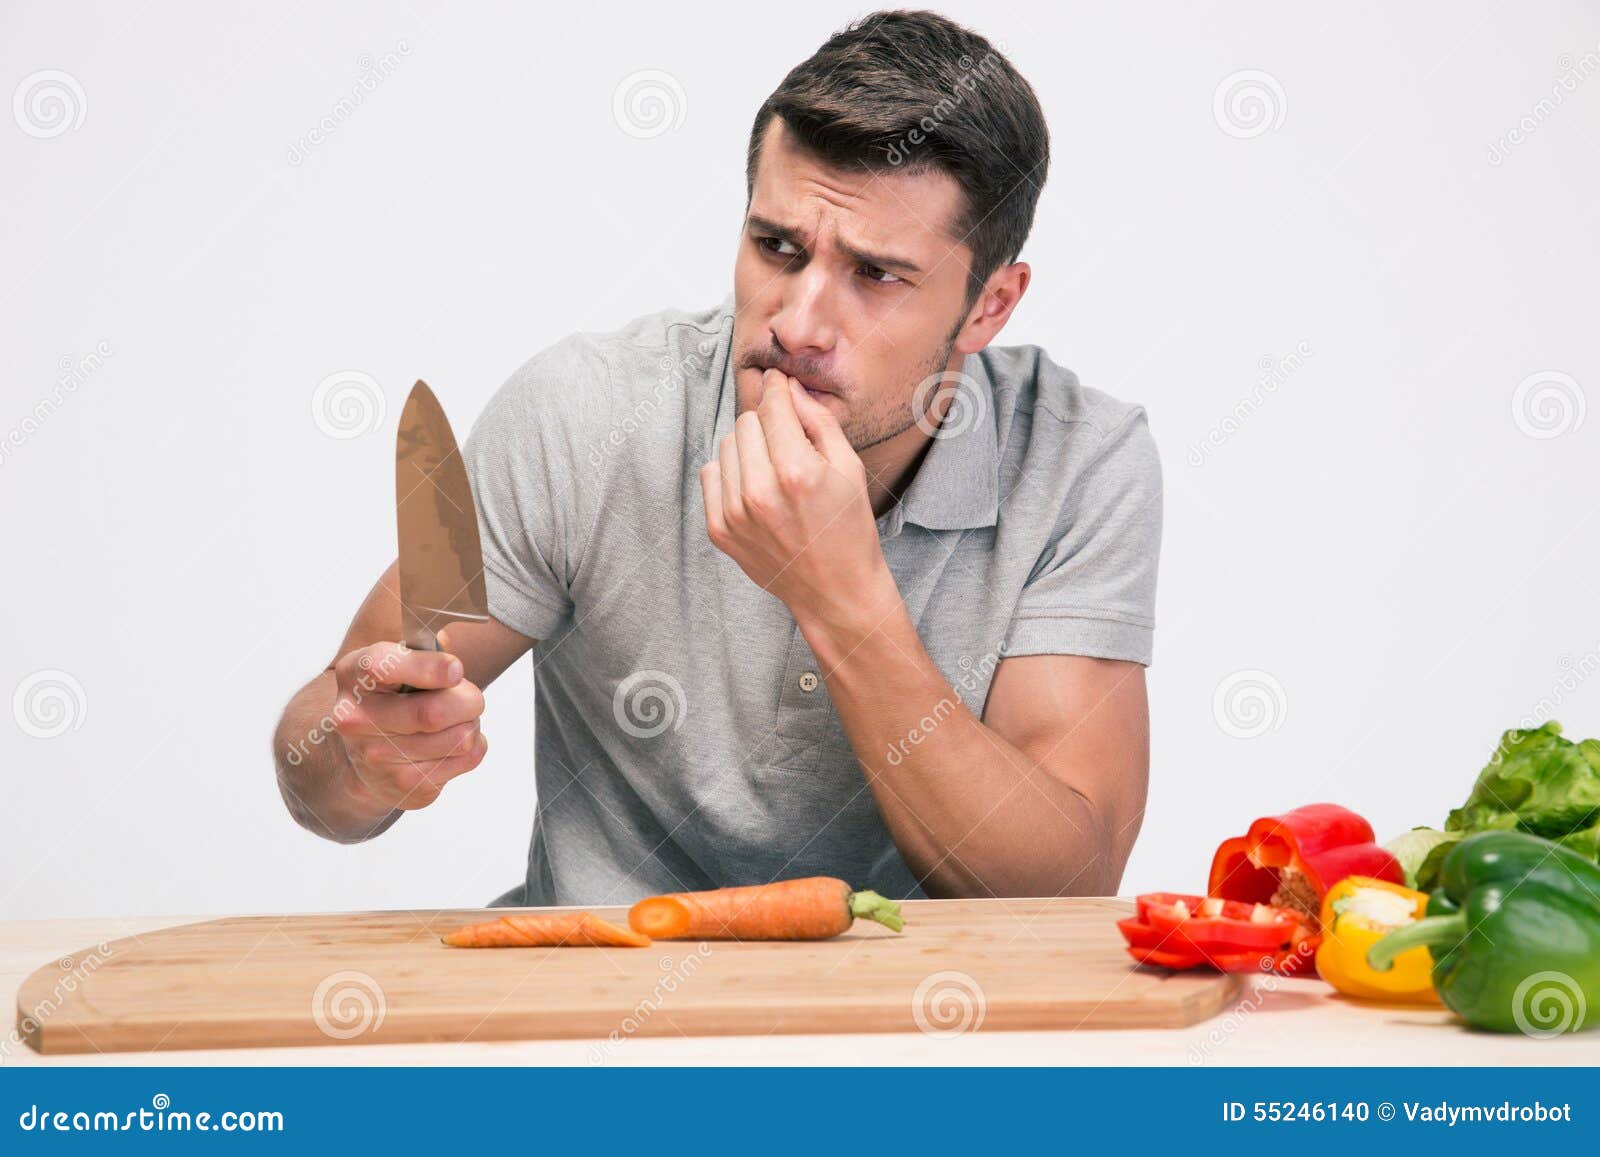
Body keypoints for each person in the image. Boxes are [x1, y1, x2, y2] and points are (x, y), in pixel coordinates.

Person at [273, 9, 1162, 906]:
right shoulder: (585, 413)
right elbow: (317, 767)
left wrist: (842, 599)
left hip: (921, 1032)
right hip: (597, 1015)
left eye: (877, 275)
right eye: (777, 247)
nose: (798, 325)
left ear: (989, 307)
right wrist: (359, 756)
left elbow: (1065, 887)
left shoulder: (1078, 462)